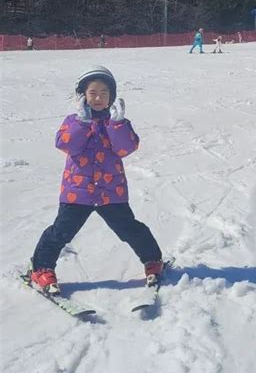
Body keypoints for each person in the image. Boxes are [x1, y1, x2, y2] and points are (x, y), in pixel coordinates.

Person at [28, 65, 163, 295]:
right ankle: (41, 267)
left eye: (104, 93)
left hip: (111, 191)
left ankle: (153, 260)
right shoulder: (73, 120)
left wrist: (118, 124)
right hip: (77, 191)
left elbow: (126, 148)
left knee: (129, 228)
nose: (99, 98)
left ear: (111, 96)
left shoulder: (117, 122)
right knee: (61, 232)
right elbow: (66, 144)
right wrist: (82, 122)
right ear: (82, 96)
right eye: (92, 93)